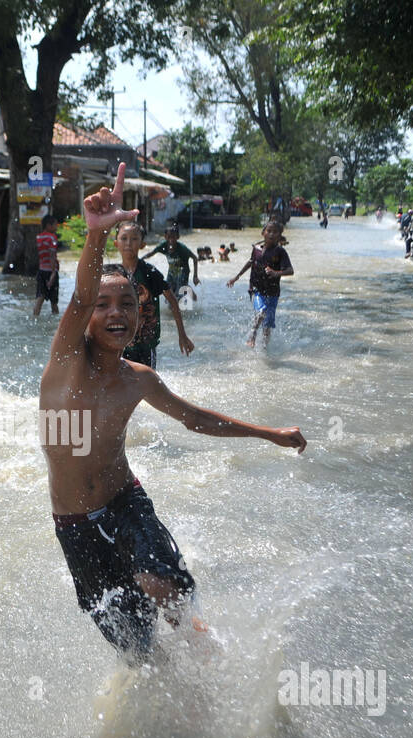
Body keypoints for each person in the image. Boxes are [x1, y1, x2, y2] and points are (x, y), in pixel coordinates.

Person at [40, 163, 306, 664]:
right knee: (138, 649)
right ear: (86, 318)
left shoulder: (137, 378)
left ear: (141, 317)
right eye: (104, 305)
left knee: (164, 586)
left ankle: (206, 651)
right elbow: (78, 296)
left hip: (125, 501)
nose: (116, 313)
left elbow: (196, 419)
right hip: (74, 524)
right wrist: (96, 236)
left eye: (128, 304)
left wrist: (268, 434)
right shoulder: (65, 368)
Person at [115, 220, 194, 368]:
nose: (128, 243)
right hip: (122, 343)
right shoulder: (114, 275)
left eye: (134, 239)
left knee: (146, 385)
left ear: (142, 244)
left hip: (146, 344)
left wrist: (182, 334)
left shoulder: (149, 273)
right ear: (116, 243)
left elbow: (172, 300)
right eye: (124, 238)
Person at [227, 221, 294, 349]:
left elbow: (290, 271)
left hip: (273, 291)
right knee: (262, 311)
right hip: (257, 288)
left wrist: (276, 273)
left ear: (279, 236)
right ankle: (252, 335)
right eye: (269, 231)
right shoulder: (257, 249)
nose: (271, 234)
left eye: (275, 232)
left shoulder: (280, 252)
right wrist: (236, 277)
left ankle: (264, 349)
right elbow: (250, 262)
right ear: (263, 233)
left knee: (267, 324)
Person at [143, 222, 201, 296]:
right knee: (168, 292)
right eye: (169, 237)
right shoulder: (163, 246)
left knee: (180, 294)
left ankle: (188, 296)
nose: (171, 240)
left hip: (183, 273)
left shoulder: (182, 248)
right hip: (172, 272)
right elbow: (151, 253)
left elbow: (195, 258)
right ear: (165, 237)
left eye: (173, 237)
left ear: (178, 237)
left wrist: (195, 276)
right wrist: (140, 260)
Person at [32, 215, 60, 317]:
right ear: (49, 225)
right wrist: (53, 273)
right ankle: (56, 322)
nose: (57, 227)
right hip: (50, 271)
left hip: (41, 270)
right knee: (54, 301)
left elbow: (42, 255)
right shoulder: (52, 237)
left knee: (40, 297)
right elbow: (51, 255)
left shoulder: (38, 238)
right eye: (55, 225)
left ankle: (35, 318)